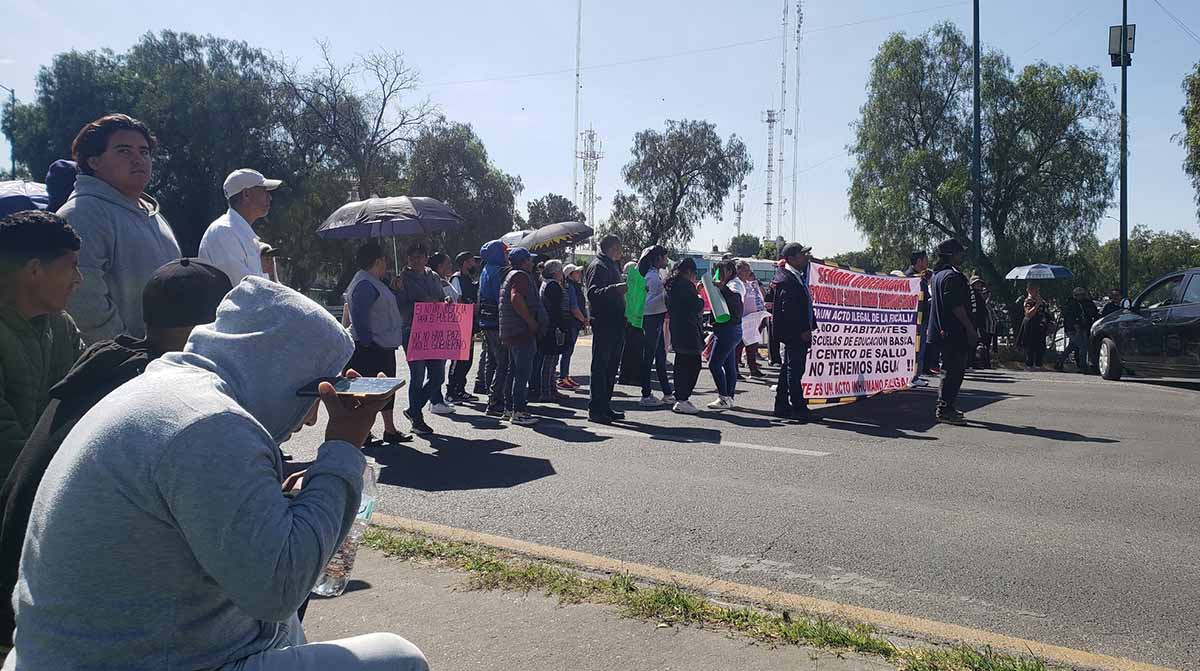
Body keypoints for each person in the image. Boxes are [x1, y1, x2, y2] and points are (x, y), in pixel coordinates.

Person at [5, 277, 428, 671]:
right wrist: (342, 448)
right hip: (143, 661)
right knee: (399, 659)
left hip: (79, 654)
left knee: (289, 634)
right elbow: (281, 588)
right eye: (310, 394)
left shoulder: (167, 390)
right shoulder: (209, 424)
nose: (309, 418)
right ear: (278, 372)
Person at [0, 257, 232, 645]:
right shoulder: (167, 399)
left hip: (20, 588)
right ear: (214, 329)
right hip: (47, 621)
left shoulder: (111, 365)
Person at [57, 114, 181, 343]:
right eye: (124, 151)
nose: (138, 159)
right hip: (124, 369)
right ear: (94, 162)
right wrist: (128, 355)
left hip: (166, 364)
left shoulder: (154, 214)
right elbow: (83, 302)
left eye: (144, 152)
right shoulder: (82, 213)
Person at [0, 211, 85, 481]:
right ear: (34, 270)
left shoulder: (62, 325)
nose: (78, 279)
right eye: (71, 266)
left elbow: (88, 390)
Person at [343, 242, 411, 444]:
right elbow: (360, 316)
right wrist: (367, 342)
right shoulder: (365, 284)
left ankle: (389, 429)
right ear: (378, 260)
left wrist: (396, 290)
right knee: (368, 392)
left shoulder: (374, 282)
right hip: (371, 347)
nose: (387, 265)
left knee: (385, 389)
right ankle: (363, 432)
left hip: (382, 345)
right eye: (384, 260)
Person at [394, 243, 453, 434]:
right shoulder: (401, 279)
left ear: (426, 258)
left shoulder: (434, 276)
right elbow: (400, 308)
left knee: (437, 375)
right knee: (417, 375)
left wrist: (446, 302)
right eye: (412, 257)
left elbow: (442, 297)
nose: (416, 260)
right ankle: (417, 420)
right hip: (412, 330)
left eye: (420, 256)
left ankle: (413, 409)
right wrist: (420, 305)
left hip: (434, 329)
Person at [198, 169, 283, 286]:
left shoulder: (238, 233)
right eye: (264, 190)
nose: (270, 197)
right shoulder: (224, 232)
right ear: (246, 194)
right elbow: (245, 291)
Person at [926, 239, 977, 425]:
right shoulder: (952, 277)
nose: (962, 255)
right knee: (954, 372)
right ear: (951, 254)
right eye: (959, 252)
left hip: (942, 331)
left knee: (950, 370)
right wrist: (970, 329)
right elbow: (957, 307)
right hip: (954, 332)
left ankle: (947, 406)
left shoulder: (938, 275)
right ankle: (945, 409)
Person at [771, 243, 818, 422]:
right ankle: (799, 407)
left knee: (787, 369)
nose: (805, 258)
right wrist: (801, 331)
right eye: (802, 255)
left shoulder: (795, 276)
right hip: (795, 334)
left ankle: (781, 406)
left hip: (797, 333)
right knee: (795, 370)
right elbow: (787, 311)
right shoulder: (786, 279)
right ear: (791, 258)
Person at [498, 248, 544, 425]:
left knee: (513, 371)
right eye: (529, 261)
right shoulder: (521, 276)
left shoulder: (508, 275)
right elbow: (516, 298)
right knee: (522, 372)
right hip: (521, 331)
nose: (532, 264)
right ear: (524, 262)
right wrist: (531, 321)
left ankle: (509, 408)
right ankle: (519, 411)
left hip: (510, 331)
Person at [585, 234, 628, 423]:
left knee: (611, 368)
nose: (621, 251)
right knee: (601, 367)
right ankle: (596, 409)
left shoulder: (612, 265)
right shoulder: (598, 266)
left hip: (617, 322)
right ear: (611, 248)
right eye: (619, 247)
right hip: (604, 323)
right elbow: (593, 294)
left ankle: (605, 405)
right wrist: (616, 288)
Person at [665, 258, 704, 414]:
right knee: (694, 364)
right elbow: (696, 305)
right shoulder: (686, 286)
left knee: (681, 363)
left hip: (677, 327)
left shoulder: (671, 285)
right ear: (689, 272)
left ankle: (680, 396)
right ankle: (683, 397)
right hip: (688, 328)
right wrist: (700, 298)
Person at [637, 245, 674, 407]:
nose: (666, 260)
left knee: (660, 356)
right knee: (649, 356)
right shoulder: (652, 276)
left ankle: (667, 392)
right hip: (651, 318)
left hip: (655, 317)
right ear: (658, 258)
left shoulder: (654, 274)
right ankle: (646, 394)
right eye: (664, 257)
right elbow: (656, 298)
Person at [706, 259, 744, 411]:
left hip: (728, 329)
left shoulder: (733, 285)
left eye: (720, 271)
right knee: (729, 366)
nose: (718, 276)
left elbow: (734, 298)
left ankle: (723, 397)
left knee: (714, 364)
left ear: (729, 271)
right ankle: (729, 397)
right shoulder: (730, 284)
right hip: (730, 329)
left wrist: (722, 288)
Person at [479, 240, 510, 417]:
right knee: (503, 362)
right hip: (496, 322)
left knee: (491, 361)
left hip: (485, 322)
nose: (506, 255)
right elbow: (502, 296)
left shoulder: (485, 270)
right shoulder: (498, 271)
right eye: (504, 252)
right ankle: (495, 400)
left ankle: (490, 397)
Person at [447, 251, 480, 402]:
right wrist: (469, 307)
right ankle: (451, 391)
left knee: (467, 359)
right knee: (458, 359)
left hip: (470, 323)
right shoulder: (456, 278)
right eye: (472, 261)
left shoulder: (468, 278)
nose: (475, 264)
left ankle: (460, 389)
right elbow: (456, 300)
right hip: (460, 324)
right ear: (465, 263)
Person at [536, 260, 570, 403]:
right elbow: (556, 308)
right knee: (550, 360)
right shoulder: (553, 285)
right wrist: (562, 326)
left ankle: (552, 389)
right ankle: (546, 391)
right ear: (556, 272)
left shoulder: (546, 283)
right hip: (552, 325)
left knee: (552, 359)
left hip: (548, 324)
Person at [904, 250, 934, 386]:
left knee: (919, 349)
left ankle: (916, 376)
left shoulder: (919, 277)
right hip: (915, 320)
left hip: (921, 319)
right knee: (915, 350)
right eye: (925, 260)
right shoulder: (912, 277)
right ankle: (913, 377)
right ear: (919, 261)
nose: (927, 263)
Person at [735, 259, 768, 378]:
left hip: (753, 320)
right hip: (742, 319)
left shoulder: (750, 284)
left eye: (749, 270)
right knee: (738, 346)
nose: (748, 272)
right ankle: (736, 370)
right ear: (738, 271)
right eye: (745, 270)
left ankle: (753, 369)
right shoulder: (736, 284)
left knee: (752, 345)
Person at [557, 264, 588, 390]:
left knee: (568, 352)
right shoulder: (570, 287)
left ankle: (565, 376)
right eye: (576, 272)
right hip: (571, 323)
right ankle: (563, 377)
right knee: (567, 351)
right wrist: (584, 319)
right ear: (570, 274)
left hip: (574, 323)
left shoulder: (574, 286)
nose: (579, 274)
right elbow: (574, 307)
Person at [1055, 287, 1099, 373]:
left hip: (1085, 328)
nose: (1081, 296)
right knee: (1083, 347)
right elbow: (1069, 318)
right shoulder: (1071, 304)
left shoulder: (1088, 303)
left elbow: (1093, 313)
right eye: (1078, 295)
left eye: (1082, 294)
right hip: (1074, 329)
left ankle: (1059, 362)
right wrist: (1076, 326)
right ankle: (1083, 367)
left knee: (1073, 346)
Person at [618, 261, 646, 386]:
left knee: (628, 349)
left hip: (628, 317)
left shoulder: (626, 282)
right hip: (636, 318)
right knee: (635, 349)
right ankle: (634, 376)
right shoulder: (638, 280)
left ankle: (626, 375)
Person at [1018, 282, 1052, 371]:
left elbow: (1046, 313)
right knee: (1030, 346)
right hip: (1031, 325)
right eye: (1032, 289)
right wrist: (1037, 304)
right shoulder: (1028, 301)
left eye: (1036, 289)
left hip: (1041, 326)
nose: (1035, 291)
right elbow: (1028, 314)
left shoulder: (1043, 301)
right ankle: (1029, 364)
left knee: (1041, 346)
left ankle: (1038, 364)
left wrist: (1049, 323)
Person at [968, 276, 994, 369]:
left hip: (981, 323)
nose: (978, 285)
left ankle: (979, 362)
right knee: (973, 343)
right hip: (974, 322)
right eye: (976, 284)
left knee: (981, 343)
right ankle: (971, 362)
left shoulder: (979, 295)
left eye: (979, 284)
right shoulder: (971, 294)